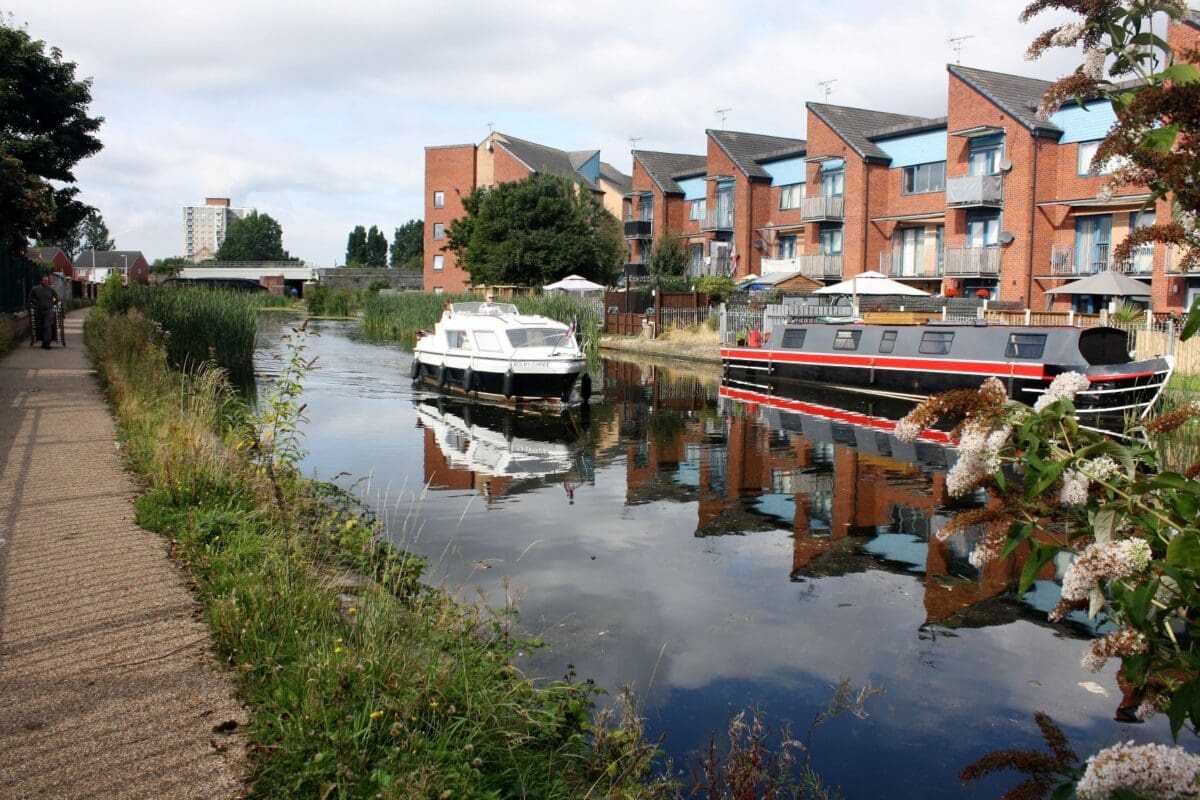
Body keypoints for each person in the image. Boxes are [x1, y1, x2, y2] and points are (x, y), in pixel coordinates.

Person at [28, 275, 60, 349]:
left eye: (47, 281)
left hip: (49, 310)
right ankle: (43, 342)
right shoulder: (35, 289)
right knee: (40, 327)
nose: (46, 282)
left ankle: (47, 343)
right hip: (38, 310)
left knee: (47, 326)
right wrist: (35, 303)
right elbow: (30, 299)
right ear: (40, 281)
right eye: (44, 281)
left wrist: (53, 303)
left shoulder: (51, 290)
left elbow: (57, 298)